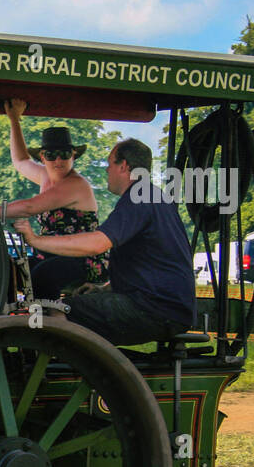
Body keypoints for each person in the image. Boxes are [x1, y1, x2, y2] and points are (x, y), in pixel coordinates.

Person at [13, 137, 195, 346]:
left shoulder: (138, 197)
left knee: (57, 311)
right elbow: (151, 262)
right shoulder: (154, 197)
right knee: (70, 307)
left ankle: (55, 371)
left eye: (110, 164)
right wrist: (106, 288)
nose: (107, 171)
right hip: (168, 307)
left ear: (124, 166)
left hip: (153, 309)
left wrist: (35, 240)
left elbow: (98, 243)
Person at [0, 99, 108, 298]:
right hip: (50, 253)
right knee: (8, 271)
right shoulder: (44, 176)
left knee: (42, 275)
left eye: (64, 154)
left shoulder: (76, 184)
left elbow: (30, 207)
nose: (58, 160)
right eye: (51, 155)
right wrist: (14, 118)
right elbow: (21, 160)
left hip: (80, 258)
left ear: (73, 155)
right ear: (42, 156)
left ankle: (53, 321)